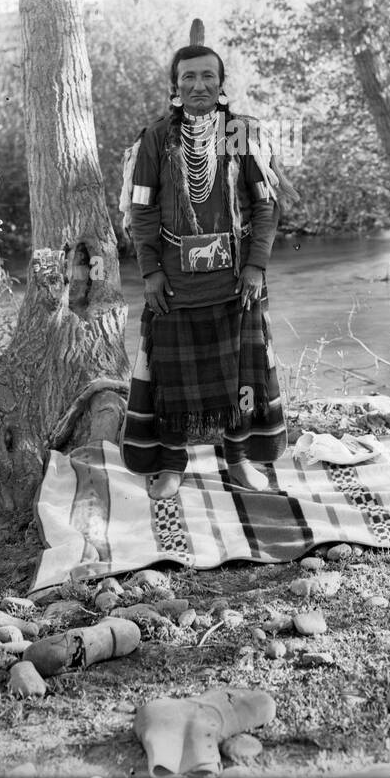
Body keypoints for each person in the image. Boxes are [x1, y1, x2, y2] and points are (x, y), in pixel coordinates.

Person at [119, 42, 288, 500]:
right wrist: (151, 272)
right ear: (175, 86)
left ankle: (237, 461)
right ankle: (172, 464)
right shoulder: (157, 139)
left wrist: (255, 265)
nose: (199, 85)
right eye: (188, 77)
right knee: (169, 378)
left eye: (208, 76)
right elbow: (141, 211)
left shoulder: (237, 133)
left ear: (221, 83)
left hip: (235, 279)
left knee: (241, 377)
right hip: (174, 282)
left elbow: (265, 205)